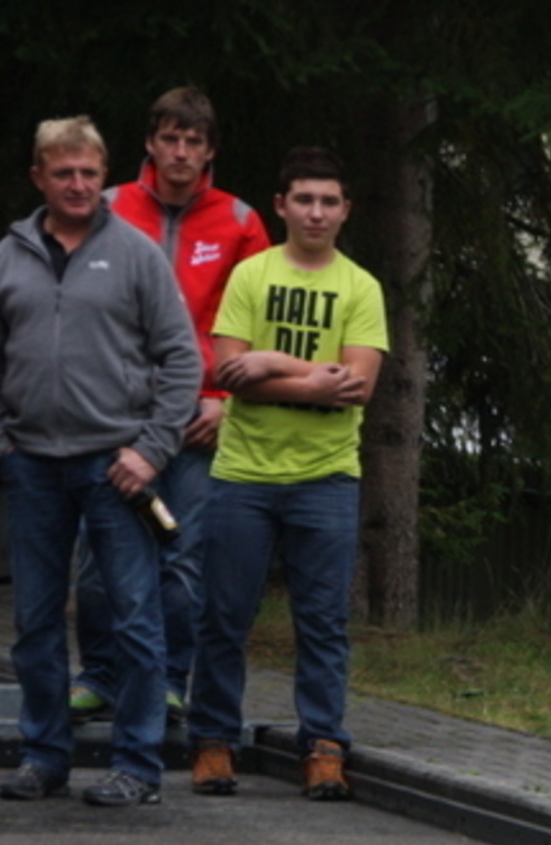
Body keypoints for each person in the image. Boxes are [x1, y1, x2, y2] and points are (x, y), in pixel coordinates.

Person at [0, 116, 202, 807]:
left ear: (104, 177)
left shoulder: (136, 254)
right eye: (63, 173)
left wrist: (150, 450)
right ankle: (44, 756)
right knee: (35, 621)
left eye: (89, 173)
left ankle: (138, 766)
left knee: (134, 618)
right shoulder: (9, 256)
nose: (77, 185)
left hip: (114, 469)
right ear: (39, 177)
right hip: (31, 465)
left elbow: (182, 358)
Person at [186, 147, 386, 802]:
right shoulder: (251, 275)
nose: (316, 213)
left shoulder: (360, 287)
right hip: (243, 475)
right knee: (224, 615)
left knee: (322, 621)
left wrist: (270, 367)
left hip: (327, 478)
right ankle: (213, 742)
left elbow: (356, 387)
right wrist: (309, 377)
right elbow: (229, 372)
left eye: (329, 201)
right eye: (304, 199)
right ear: (281, 206)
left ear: (346, 210)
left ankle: (324, 746)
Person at [67, 87, 270, 728]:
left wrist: (226, 403)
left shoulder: (241, 221)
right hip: (114, 418)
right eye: (170, 139)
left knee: (182, 556)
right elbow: (72, 306)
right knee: (97, 554)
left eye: (193, 141)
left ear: (210, 151)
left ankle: (168, 680)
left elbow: (257, 325)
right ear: (150, 143)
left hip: (197, 421)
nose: (180, 152)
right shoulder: (106, 206)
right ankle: (99, 676)